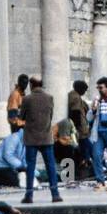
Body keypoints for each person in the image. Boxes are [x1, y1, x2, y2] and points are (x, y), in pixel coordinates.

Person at [20, 76, 62, 204]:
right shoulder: (49, 98)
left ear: (31, 85)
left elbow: (22, 116)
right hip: (46, 137)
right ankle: (55, 194)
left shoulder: (27, 99)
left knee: (30, 167)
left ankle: (29, 195)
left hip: (31, 138)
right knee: (50, 166)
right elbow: (50, 115)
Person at [68, 79, 91, 176]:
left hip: (80, 131)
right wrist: (77, 129)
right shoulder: (75, 97)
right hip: (80, 132)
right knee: (85, 151)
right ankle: (83, 171)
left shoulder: (74, 96)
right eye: (84, 90)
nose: (85, 92)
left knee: (85, 151)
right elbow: (76, 113)